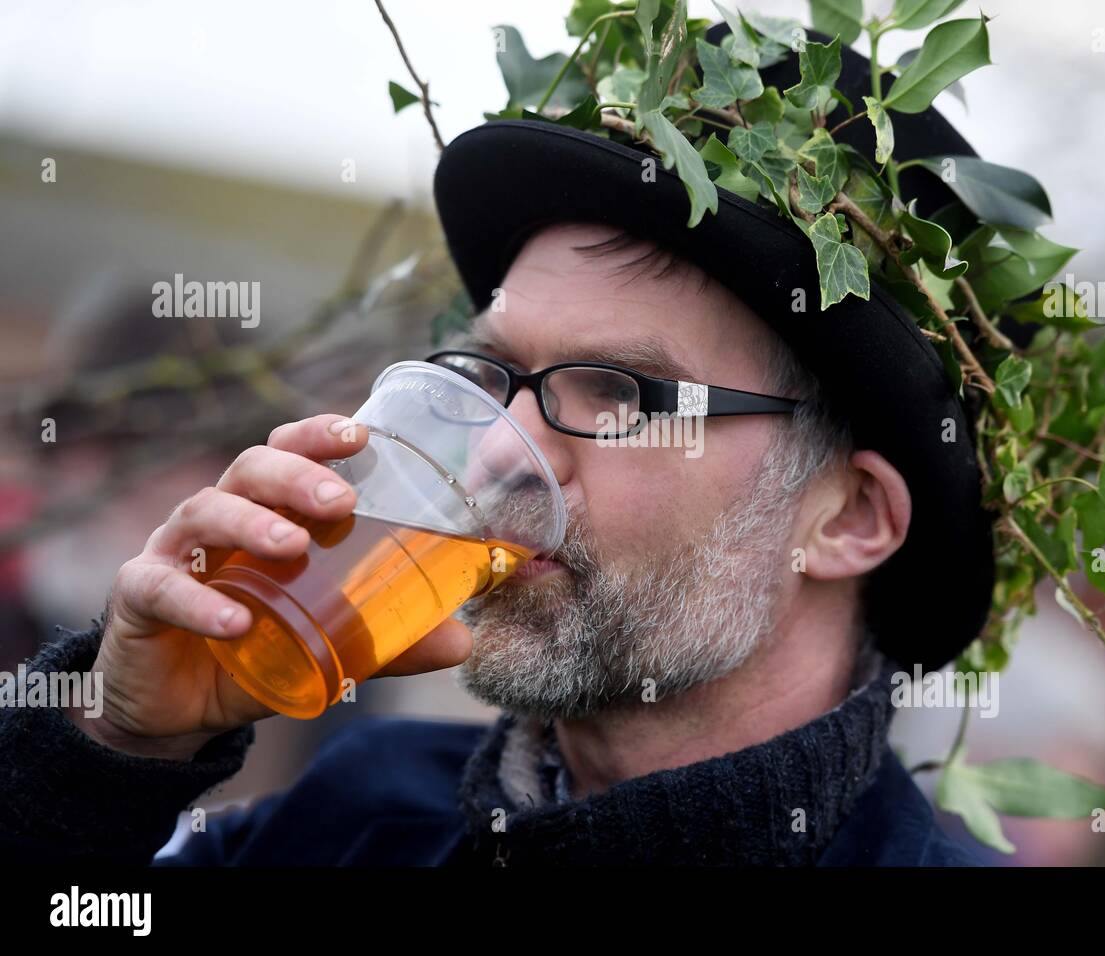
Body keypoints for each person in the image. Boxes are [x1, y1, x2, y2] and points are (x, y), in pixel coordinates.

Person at [0, 23, 995, 866]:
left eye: (615, 390)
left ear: (848, 517)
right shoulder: (357, 815)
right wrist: (111, 750)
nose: (507, 446)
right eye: (489, 373)